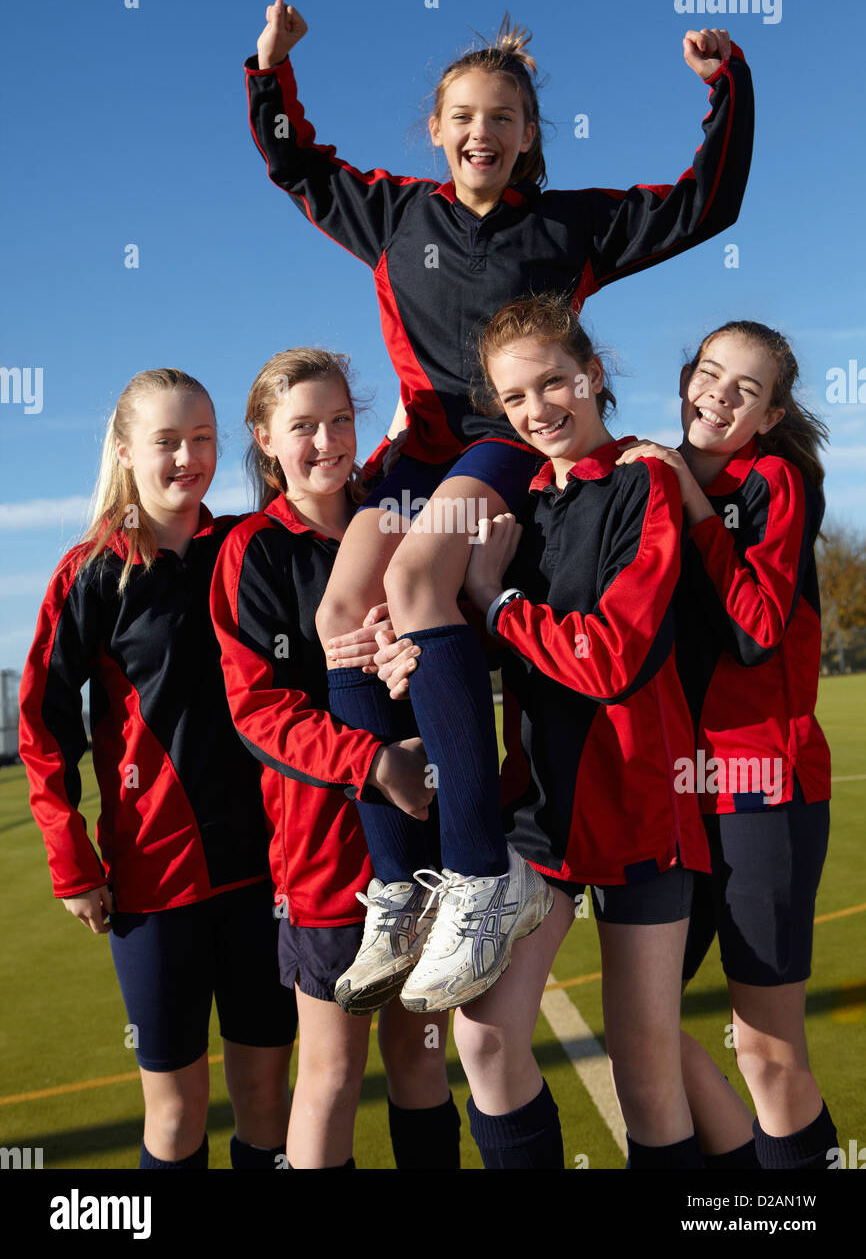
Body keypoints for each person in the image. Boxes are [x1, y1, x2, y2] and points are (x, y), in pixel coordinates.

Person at [245, 2, 753, 1013]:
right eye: (463, 115)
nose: (482, 131)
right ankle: (395, 883)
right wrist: (270, 70)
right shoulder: (392, 213)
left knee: (414, 579)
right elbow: (296, 163)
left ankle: (477, 873)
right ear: (436, 131)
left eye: (504, 116)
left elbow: (707, 203)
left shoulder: (570, 225)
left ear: (528, 136)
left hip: (494, 447)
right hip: (413, 449)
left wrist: (724, 82)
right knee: (342, 613)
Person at [383, 293, 711, 1168]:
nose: (538, 410)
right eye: (516, 398)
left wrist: (499, 600)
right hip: (538, 810)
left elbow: (611, 660)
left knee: (645, 1070)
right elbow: (451, 636)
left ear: (593, 375)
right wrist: (392, 652)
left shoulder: (643, 481)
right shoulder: (516, 500)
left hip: (642, 801)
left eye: (554, 383)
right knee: (485, 1042)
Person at [19, 368, 296, 1170]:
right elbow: (42, 720)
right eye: (167, 441)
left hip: (263, 874)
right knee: (175, 1120)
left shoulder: (249, 548)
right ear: (126, 451)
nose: (188, 458)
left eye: (203, 439)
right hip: (156, 884)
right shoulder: (91, 573)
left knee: (265, 1100)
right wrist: (71, 860)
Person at [209, 347, 460, 1169]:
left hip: (430, 835)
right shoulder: (253, 549)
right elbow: (259, 710)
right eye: (303, 427)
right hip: (325, 851)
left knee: (425, 1060)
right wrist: (372, 761)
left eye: (341, 419)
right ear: (265, 439)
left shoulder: (398, 516)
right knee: (332, 1072)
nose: (327, 441)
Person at [615, 320, 838, 1170]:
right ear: (684, 379)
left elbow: (754, 631)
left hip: (760, 786)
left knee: (765, 1049)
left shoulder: (775, 480)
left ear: (770, 413)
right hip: (671, 792)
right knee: (645, 1030)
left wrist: (695, 503)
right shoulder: (639, 478)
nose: (718, 395)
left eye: (744, 389)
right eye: (709, 374)